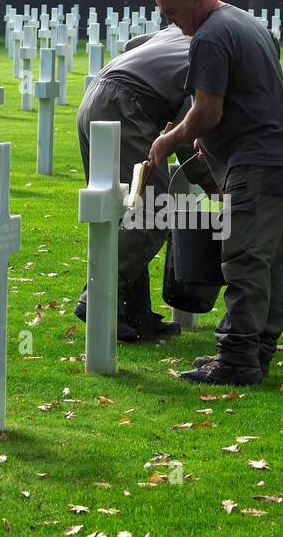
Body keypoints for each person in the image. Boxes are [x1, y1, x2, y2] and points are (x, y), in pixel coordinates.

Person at [147, 0, 283, 386]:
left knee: (243, 260)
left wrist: (170, 141)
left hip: (258, 162)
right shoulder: (244, 21)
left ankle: (238, 359)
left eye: (172, 11)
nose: (171, 22)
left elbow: (207, 111)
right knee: (269, 259)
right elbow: (241, 96)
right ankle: (255, 350)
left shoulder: (209, 35)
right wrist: (209, 137)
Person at [76, 24, 215, 341]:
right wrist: (210, 182)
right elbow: (185, 131)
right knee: (154, 211)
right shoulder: (216, 56)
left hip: (96, 96)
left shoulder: (186, 32)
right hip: (127, 107)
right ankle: (95, 297)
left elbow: (133, 43)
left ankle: (136, 316)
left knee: (127, 216)